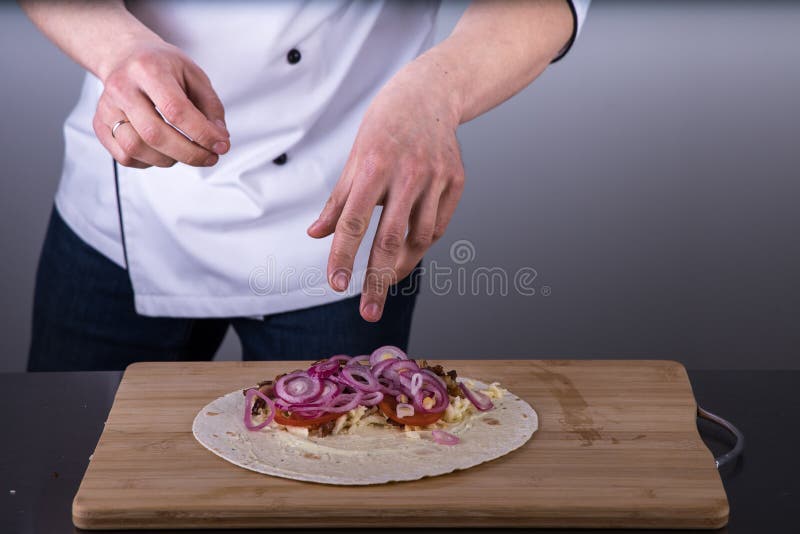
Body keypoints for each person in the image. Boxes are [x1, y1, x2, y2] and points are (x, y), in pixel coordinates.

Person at [22, 0, 589, 371]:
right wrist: (117, 50)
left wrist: (442, 89)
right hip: (125, 220)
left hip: (345, 212)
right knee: (75, 471)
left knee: (330, 491)